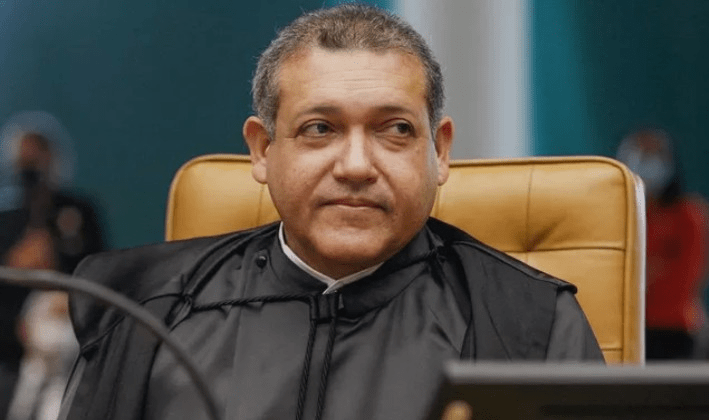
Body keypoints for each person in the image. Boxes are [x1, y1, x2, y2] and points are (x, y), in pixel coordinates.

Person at [59, 5, 603, 420]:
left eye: (395, 130)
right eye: (320, 129)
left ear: (439, 152)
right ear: (262, 151)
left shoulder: (529, 322)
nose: (357, 166)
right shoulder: (144, 308)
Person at [0, 111, 106, 419]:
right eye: (26, 158)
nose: (33, 165)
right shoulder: (6, 221)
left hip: (69, 330)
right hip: (13, 344)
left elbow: (100, 269)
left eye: (40, 154)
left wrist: (69, 299)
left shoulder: (79, 211)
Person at [617, 128, 709, 360]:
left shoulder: (689, 214)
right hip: (628, 329)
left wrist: (644, 277)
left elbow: (688, 277)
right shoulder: (620, 215)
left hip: (675, 330)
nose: (645, 163)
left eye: (653, 156)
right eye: (639, 154)